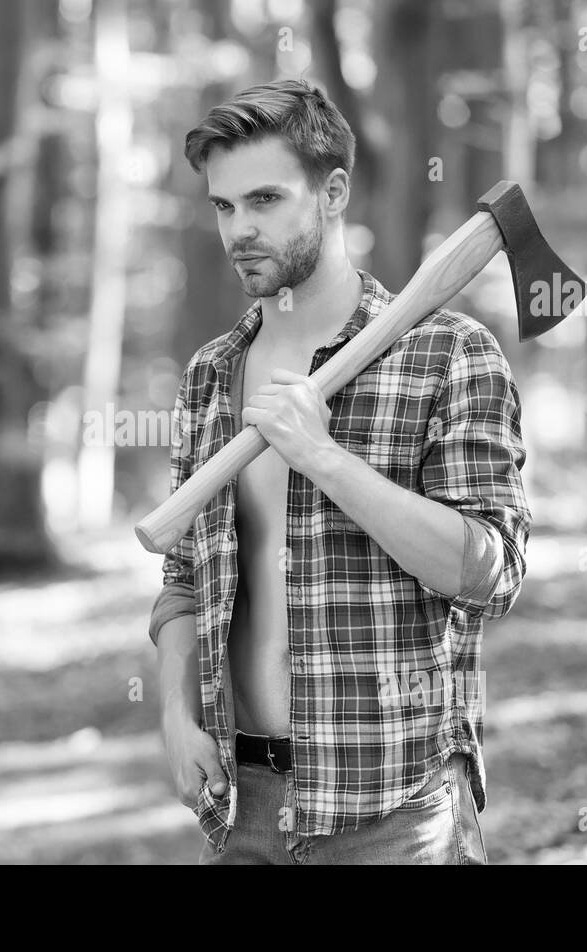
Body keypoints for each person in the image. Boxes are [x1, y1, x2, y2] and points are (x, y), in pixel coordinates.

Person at [148, 78, 532, 864]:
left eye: (265, 199)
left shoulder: (448, 355)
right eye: (223, 206)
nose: (240, 229)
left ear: (333, 193)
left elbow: (488, 572)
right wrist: (174, 715)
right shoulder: (212, 374)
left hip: (397, 808)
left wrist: (323, 457)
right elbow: (186, 574)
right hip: (243, 805)